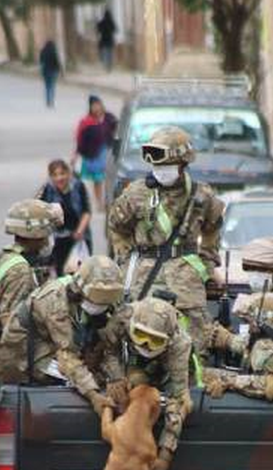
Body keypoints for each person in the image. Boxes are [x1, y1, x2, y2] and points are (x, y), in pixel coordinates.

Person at [108, 126, 226, 352]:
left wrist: (207, 263)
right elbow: (116, 226)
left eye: (167, 166)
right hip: (145, 277)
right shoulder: (136, 193)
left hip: (186, 276)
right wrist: (125, 259)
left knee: (195, 339)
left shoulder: (202, 195)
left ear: (183, 165)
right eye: (156, 166)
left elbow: (213, 228)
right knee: (140, 335)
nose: (161, 171)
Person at [0, 256, 125, 416]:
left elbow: (109, 345)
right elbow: (67, 356)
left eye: (109, 297)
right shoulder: (56, 301)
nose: (102, 303)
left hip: (55, 341)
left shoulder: (108, 303)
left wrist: (116, 377)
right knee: (75, 379)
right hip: (22, 350)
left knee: (96, 374)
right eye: (98, 295)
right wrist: (93, 395)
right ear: (80, 287)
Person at [0, 200, 63, 376]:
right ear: (36, 234)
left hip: (3, 347)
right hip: (12, 357)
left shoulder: (9, 256)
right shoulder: (21, 271)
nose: (49, 239)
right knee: (75, 375)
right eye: (47, 233)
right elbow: (13, 330)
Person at [117, 296, 195, 470]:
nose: (146, 344)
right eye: (141, 335)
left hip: (168, 365)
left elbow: (179, 398)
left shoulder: (180, 344)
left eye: (155, 340)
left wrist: (165, 454)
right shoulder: (122, 318)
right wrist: (115, 378)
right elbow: (109, 352)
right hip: (132, 362)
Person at [37, 159, 92, 276]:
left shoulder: (78, 186)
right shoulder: (47, 189)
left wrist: (79, 231)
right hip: (57, 239)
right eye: (55, 175)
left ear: (68, 173)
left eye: (62, 174)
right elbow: (39, 211)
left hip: (78, 236)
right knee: (59, 271)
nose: (59, 178)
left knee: (81, 271)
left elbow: (86, 211)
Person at [73, 95, 118, 210]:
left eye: (98, 105)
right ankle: (99, 203)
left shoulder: (109, 118)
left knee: (110, 178)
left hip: (108, 152)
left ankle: (109, 201)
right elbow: (80, 140)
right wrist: (75, 156)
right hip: (93, 155)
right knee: (98, 180)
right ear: (90, 108)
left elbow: (119, 131)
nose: (97, 108)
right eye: (94, 106)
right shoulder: (86, 122)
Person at [39, 40, 62, 108]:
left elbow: (41, 61)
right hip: (53, 71)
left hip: (46, 71)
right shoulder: (54, 51)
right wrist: (60, 70)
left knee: (47, 87)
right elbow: (57, 61)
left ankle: (48, 101)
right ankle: (51, 101)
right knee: (52, 86)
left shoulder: (43, 51)